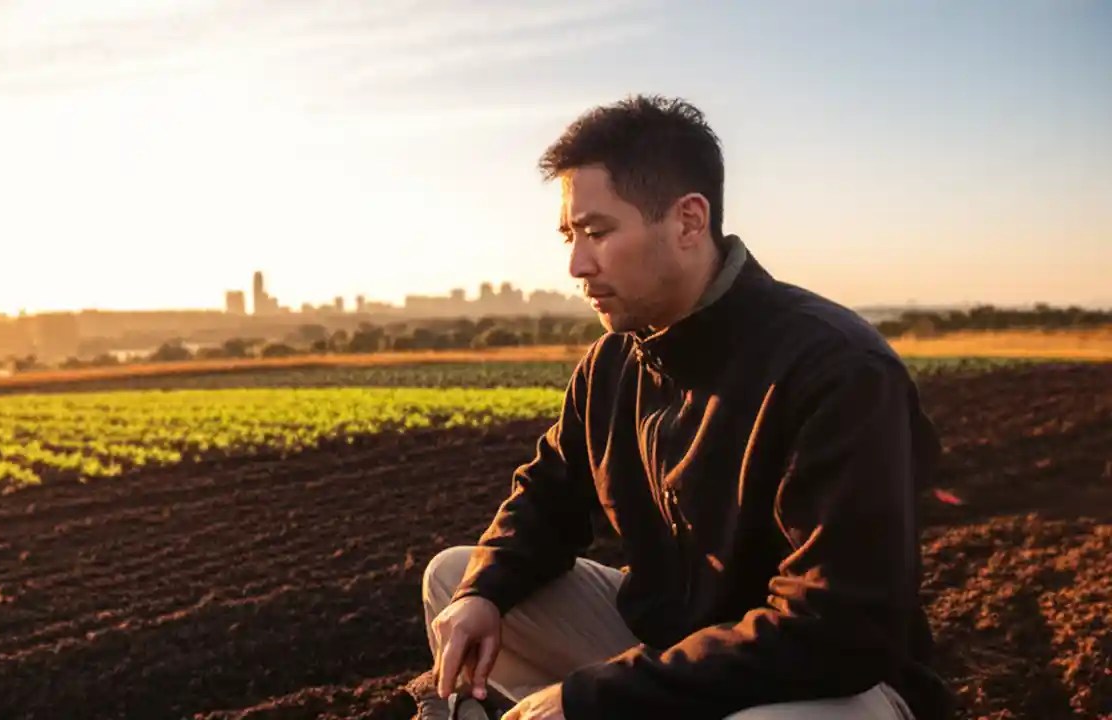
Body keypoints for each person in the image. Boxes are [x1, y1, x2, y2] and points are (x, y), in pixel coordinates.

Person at [408, 95, 954, 720]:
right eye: (570, 235)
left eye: (598, 232)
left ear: (689, 222)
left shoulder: (835, 369)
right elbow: (545, 500)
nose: (577, 265)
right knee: (455, 580)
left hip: (832, 685)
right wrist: (485, 590)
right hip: (680, 655)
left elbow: (837, 631)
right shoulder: (612, 363)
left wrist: (595, 700)